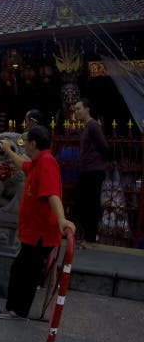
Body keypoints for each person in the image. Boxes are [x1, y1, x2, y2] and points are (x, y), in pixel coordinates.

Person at [0, 126, 75, 320]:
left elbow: (53, 193)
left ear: (33, 144)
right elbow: (23, 165)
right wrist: (9, 151)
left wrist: (62, 219)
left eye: (25, 141)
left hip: (40, 234)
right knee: (25, 270)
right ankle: (17, 309)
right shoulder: (38, 161)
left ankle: (16, 311)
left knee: (23, 272)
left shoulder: (46, 162)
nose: (23, 144)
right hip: (34, 232)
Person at [73, 98, 108, 248]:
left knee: (90, 204)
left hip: (94, 171)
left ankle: (90, 239)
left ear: (87, 109)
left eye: (78, 109)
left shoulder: (93, 125)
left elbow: (104, 146)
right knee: (81, 203)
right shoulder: (87, 127)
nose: (76, 112)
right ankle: (89, 236)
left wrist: (97, 159)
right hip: (87, 170)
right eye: (75, 109)